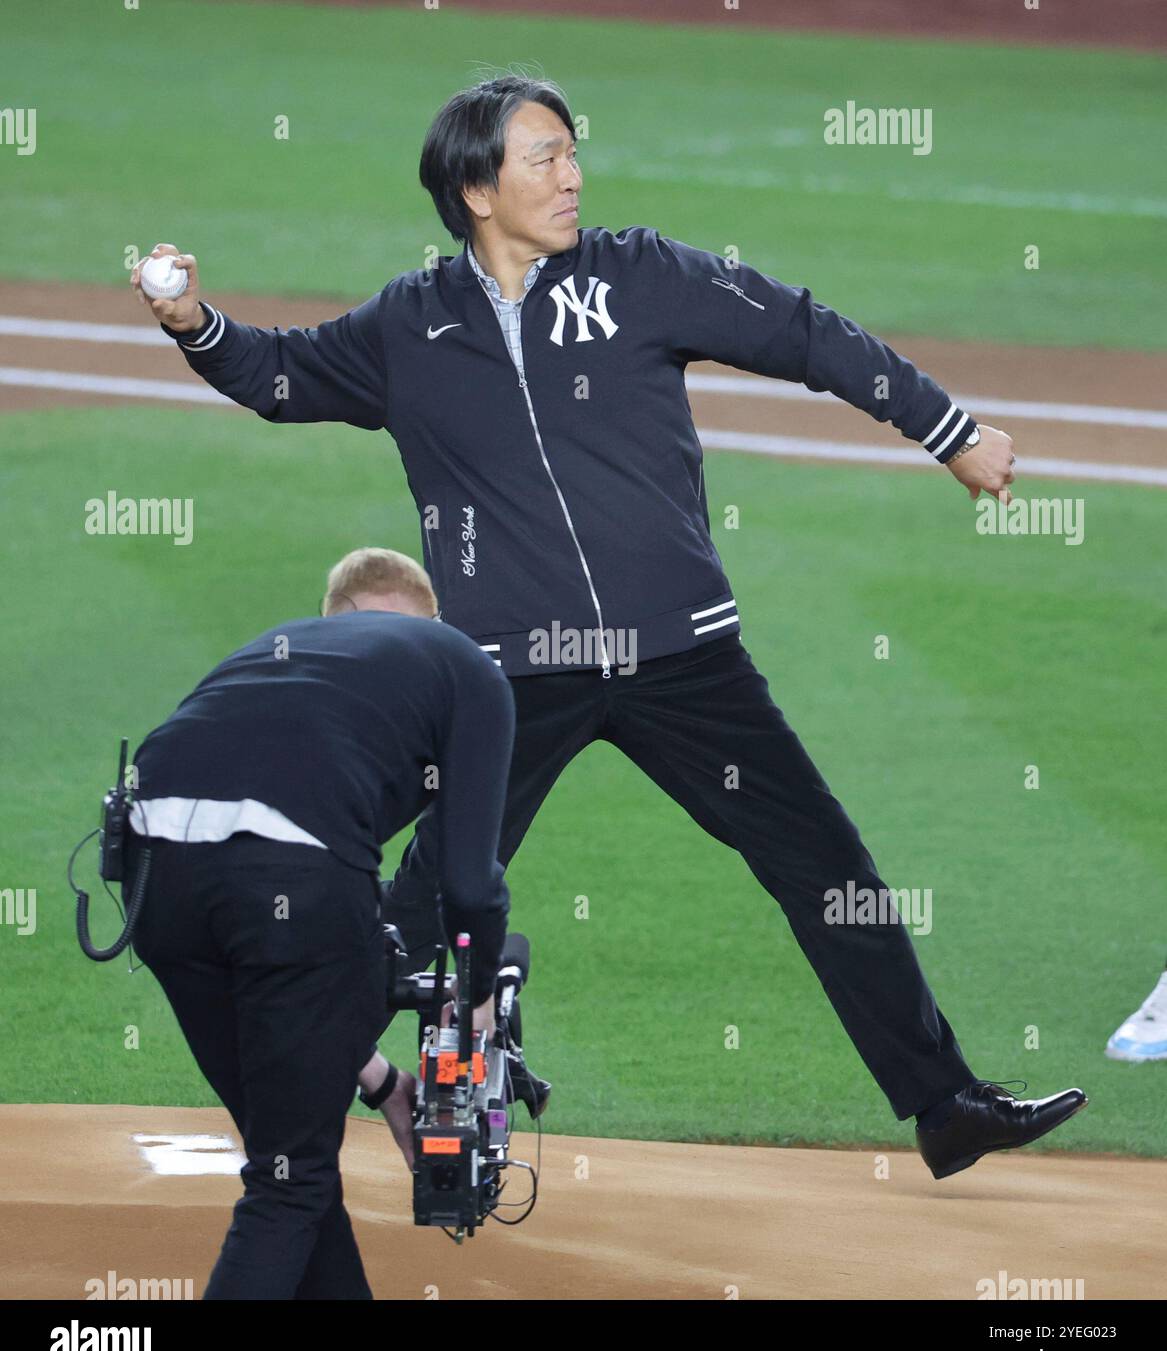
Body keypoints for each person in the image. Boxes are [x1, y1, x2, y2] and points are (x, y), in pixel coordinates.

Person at [131, 72, 1086, 1179]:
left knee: (825, 863)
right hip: (510, 677)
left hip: (683, 658)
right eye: (543, 157)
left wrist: (950, 430)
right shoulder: (411, 323)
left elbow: (808, 334)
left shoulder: (643, 275)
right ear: (476, 188)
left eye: (572, 152)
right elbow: (282, 376)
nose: (572, 174)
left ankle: (943, 1102)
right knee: (409, 911)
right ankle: (309, 1112)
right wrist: (193, 322)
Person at [122, 548, 514, 1298]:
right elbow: (469, 885)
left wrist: (380, 1080)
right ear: (432, 620)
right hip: (290, 882)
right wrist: (476, 997)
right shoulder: (464, 663)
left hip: (152, 877)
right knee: (289, 1185)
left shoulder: (278, 647)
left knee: (287, 1158)